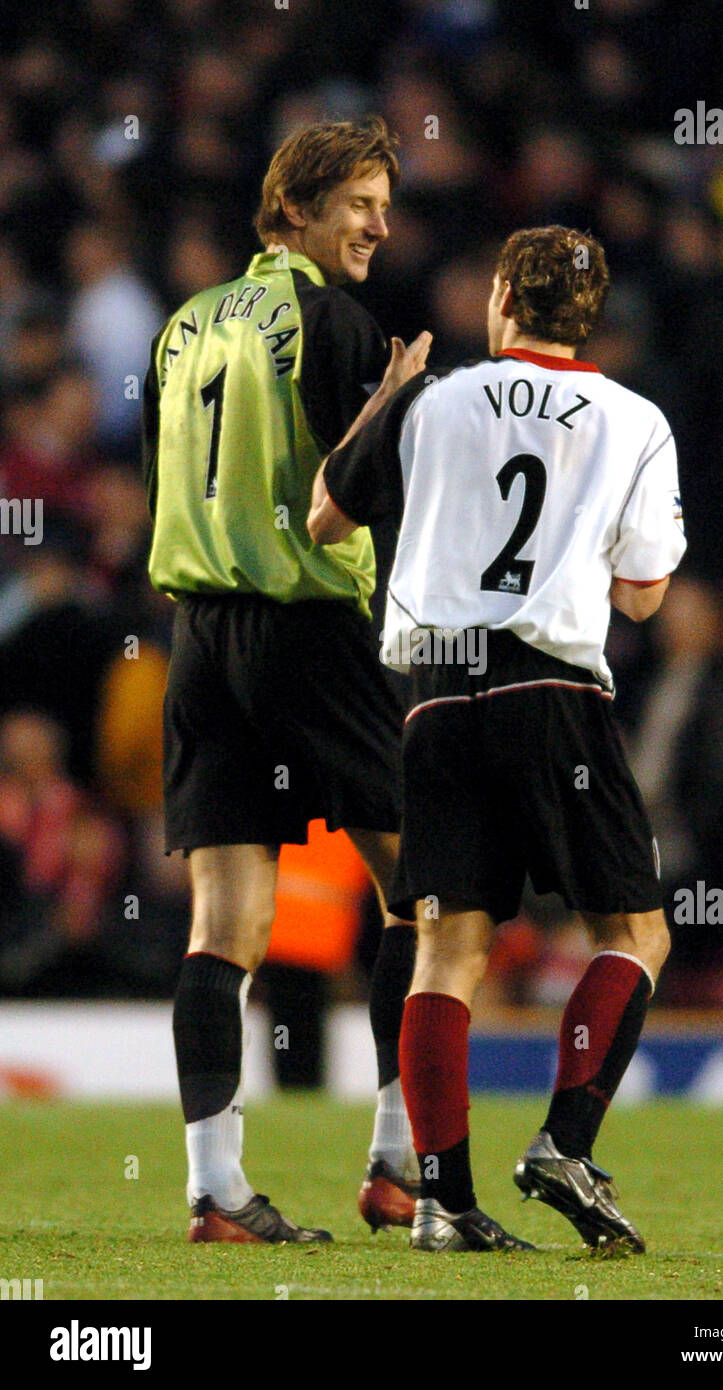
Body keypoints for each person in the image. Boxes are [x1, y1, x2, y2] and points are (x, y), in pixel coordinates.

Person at [309, 225, 686, 1253]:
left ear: (499, 298)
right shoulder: (633, 419)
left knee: (447, 946)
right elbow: (644, 596)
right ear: (592, 313)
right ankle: (564, 1142)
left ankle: (440, 1201)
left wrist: (388, 396)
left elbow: (326, 518)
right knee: (634, 933)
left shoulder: (434, 400)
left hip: (432, 698)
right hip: (552, 691)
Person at [143, 117, 431, 1244]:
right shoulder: (333, 320)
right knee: (426, 883)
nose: (379, 224)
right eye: (359, 201)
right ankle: (398, 1163)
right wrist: (397, 393)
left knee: (223, 931)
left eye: (382, 202)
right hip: (309, 625)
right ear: (297, 207)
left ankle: (216, 1189)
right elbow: (344, 492)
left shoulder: (183, 324)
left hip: (200, 639)